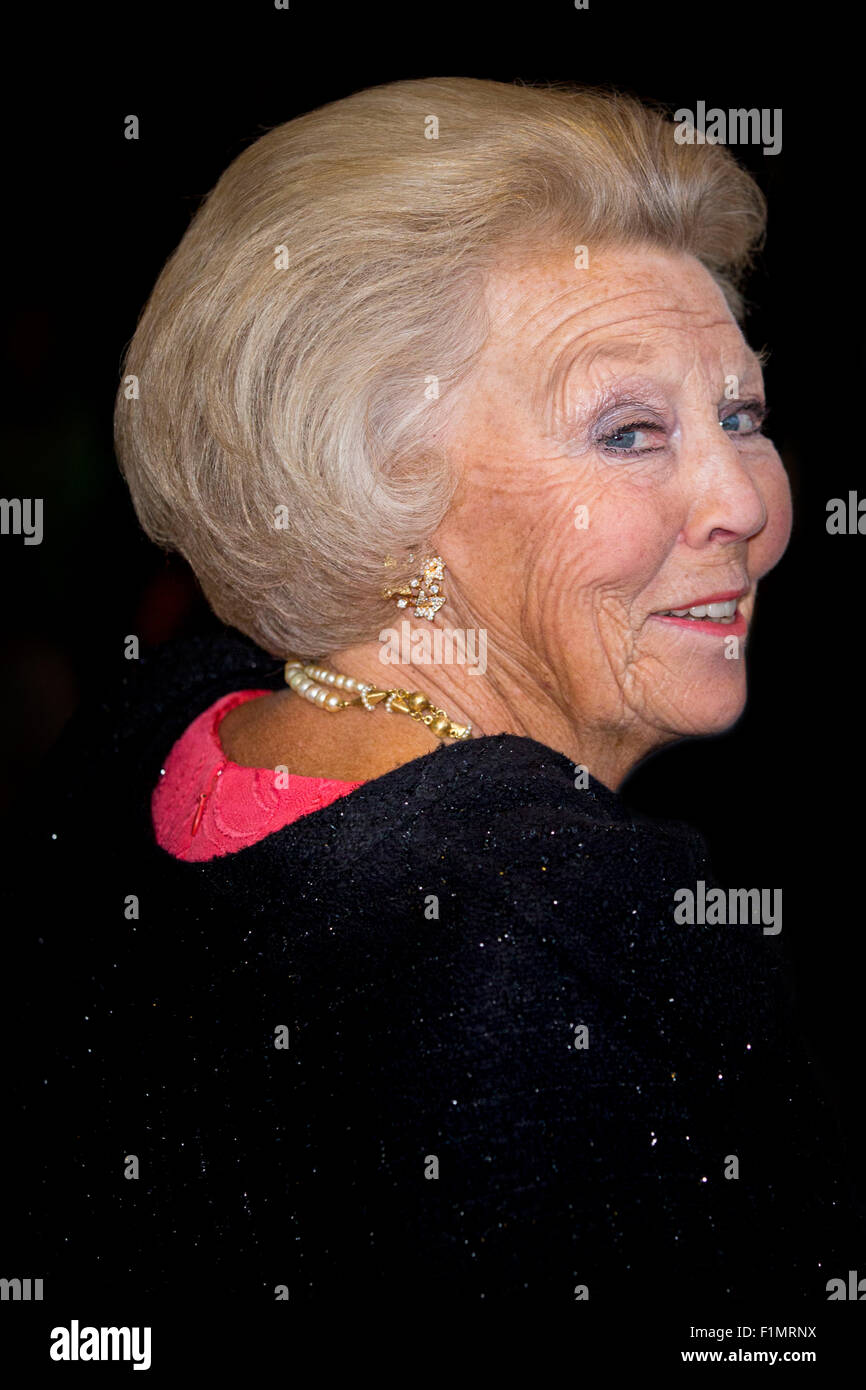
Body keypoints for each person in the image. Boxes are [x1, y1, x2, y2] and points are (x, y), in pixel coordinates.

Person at [31, 77, 859, 1308]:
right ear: (380, 491)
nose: (741, 501)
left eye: (740, 413)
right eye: (628, 430)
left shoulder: (168, 732)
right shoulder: (556, 932)